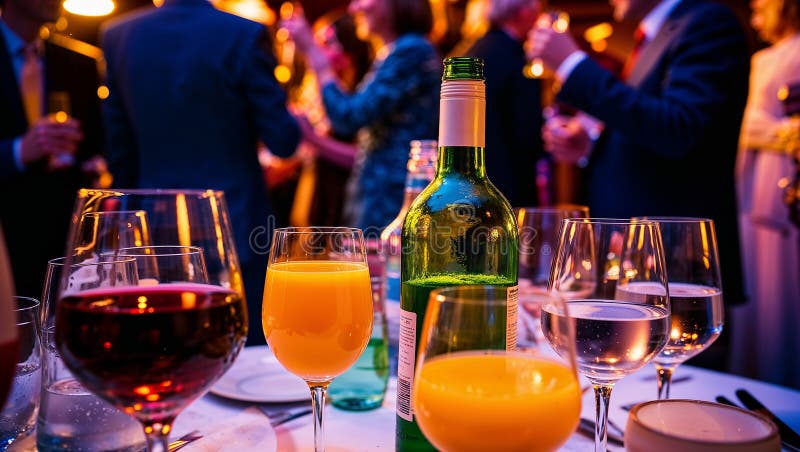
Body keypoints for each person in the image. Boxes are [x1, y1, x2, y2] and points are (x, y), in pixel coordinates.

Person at [528, 0, 749, 368]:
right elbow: (648, 129)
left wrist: (571, 63)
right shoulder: (654, 35)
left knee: (682, 407)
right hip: (642, 263)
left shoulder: (709, 22)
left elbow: (678, 128)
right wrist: (591, 144)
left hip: (682, 266)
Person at [101, 0, 300, 346]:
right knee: (242, 350)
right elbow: (282, 140)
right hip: (235, 223)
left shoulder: (119, 36)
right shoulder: (243, 35)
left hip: (153, 230)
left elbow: (120, 152)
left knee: (164, 349)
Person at [283, 0, 440, 232]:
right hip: (386, 197)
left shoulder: (412, 50)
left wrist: (313, 52)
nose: (354, 8)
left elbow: (348, 118)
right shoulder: (398, 50)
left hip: (394, 202)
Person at [0, 0, 105, 299]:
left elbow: (95, 148)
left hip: (62, 239)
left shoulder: (81, 63)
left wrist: (91, 165)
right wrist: (19, 150)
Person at [732, 0, 800, 388]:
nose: (755, 7)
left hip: (778, 178)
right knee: (768, 276)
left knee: (778, 277)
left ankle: (775, 376)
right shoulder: (764, 58)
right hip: (766, 174)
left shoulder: (773, 59)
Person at [290, 11, 373, 227]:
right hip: (321, 203)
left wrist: (313, 139)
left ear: (349, 53)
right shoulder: (329, 95)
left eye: (327, 43)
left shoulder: (360, 100)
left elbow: (362, 158)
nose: (319, 52)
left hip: (346, 208)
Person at [464, 0, 544, 206]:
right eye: (537, 9)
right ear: (523, 12)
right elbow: (527, 132)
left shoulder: (474, 50)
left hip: (469, 183)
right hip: (508, 185)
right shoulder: (516, 58)